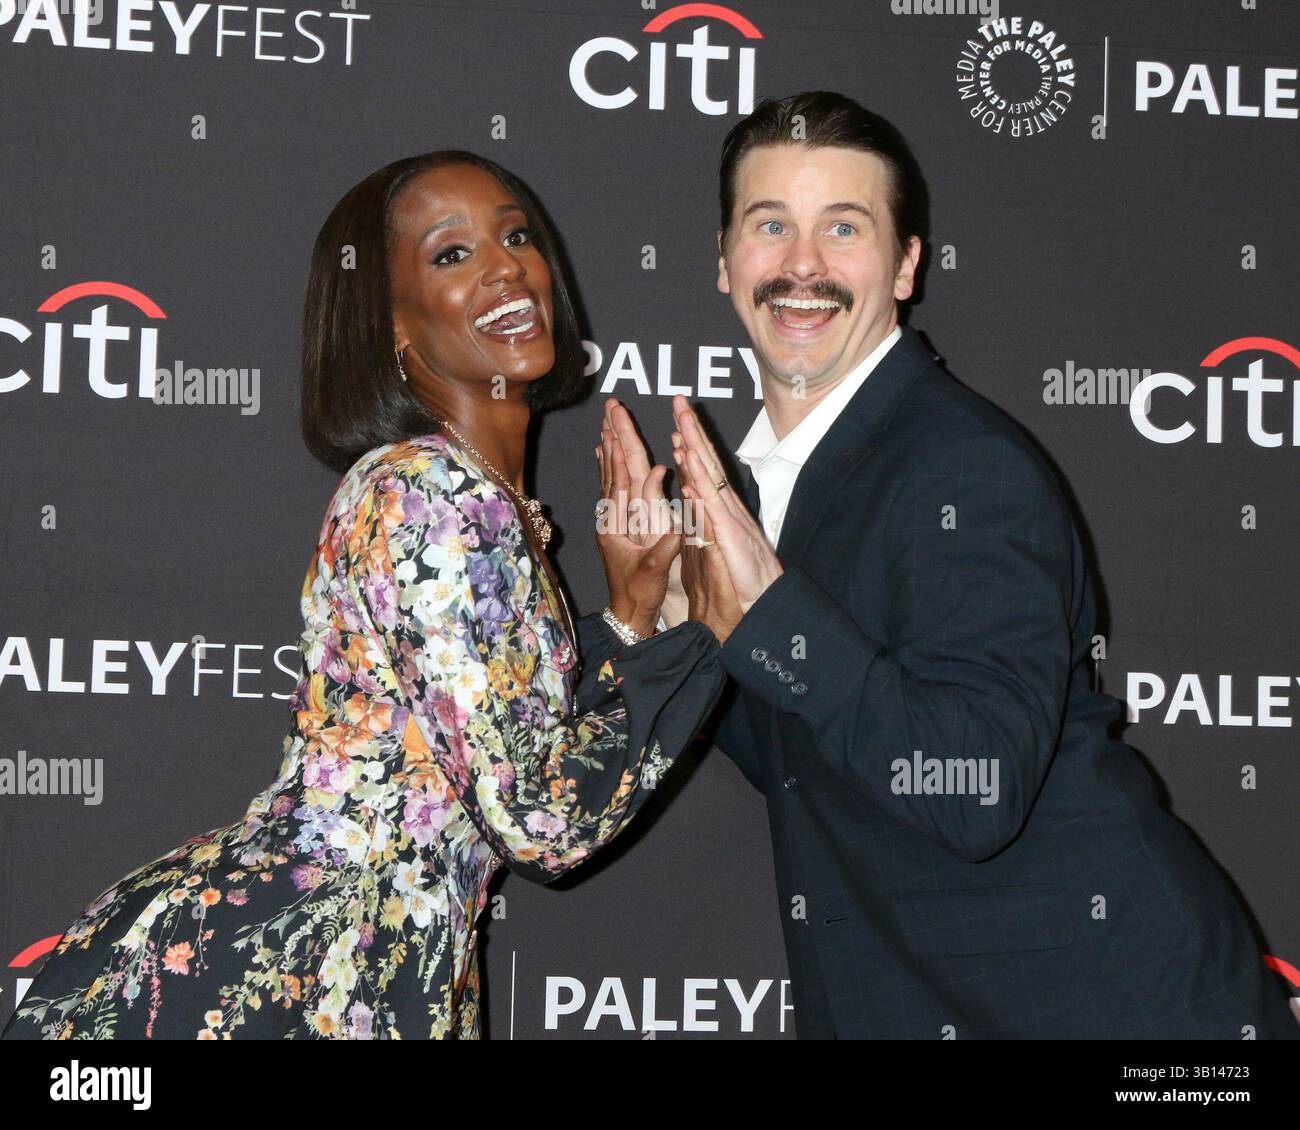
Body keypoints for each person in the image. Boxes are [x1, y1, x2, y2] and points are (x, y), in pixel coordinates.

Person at [610, 91, 1299, 1039]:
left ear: (905, 266)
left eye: (842, 228)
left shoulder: (962, 464)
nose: (801, 264)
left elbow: (972, 785)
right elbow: (820, 760)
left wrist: (764, 616)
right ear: (724, 262)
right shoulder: (775, 486)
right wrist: (688, 617)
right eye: (771, 225)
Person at [1, 151, 725, 1041]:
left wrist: (631, 616)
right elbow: (542, 820)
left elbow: (488, 749)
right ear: (389, 328)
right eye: (450, 254)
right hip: (288, 971)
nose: (505, 265)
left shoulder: (465, 497)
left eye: (516, 235)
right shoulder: (429, 493)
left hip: (377, 965)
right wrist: (712, 630)